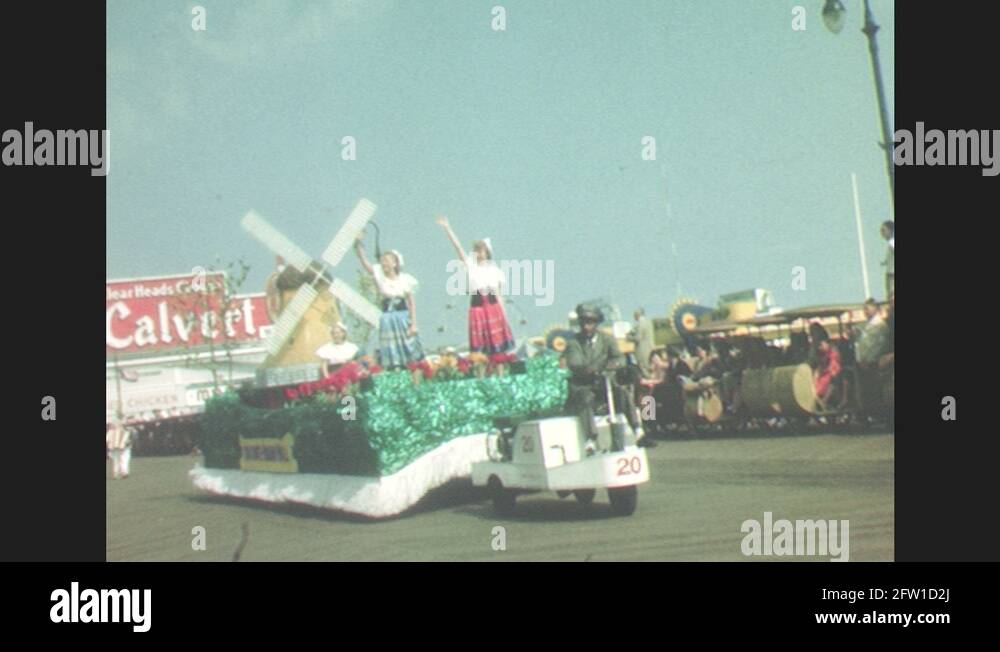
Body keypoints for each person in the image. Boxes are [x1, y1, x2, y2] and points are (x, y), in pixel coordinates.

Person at [561, 304, 645, 454]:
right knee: (584, 398)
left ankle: (638, 431)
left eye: (590, 323)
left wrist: (613, 365)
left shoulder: (607, 339)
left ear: (596, 323)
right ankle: (590, 440)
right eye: (584, 323)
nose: (587, 327)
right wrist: (598, 367)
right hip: (584, 386)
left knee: (623, 393)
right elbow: (576, 364)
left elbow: (619, 358)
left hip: (605, 385)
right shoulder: (573, 342)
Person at [434, 215, 515, 355]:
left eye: (482, 251)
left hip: (492, 307)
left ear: (488, 253)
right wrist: (447, 228)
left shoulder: (495, 271)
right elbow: (458, 248)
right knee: (480, 341)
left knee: (496, 340)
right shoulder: (470, 266)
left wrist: (504, 314)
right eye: (477, 251)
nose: (479, 254)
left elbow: (498, 293)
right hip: (477, 307)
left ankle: (499, 364)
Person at [353, 235, 425, 370]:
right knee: (391, 349)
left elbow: (411, 303)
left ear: (395, 263)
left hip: (402, 316)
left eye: (387, 260)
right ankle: (395, 369)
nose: (384, 263)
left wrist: (413, 324)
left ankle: (413, 369)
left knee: (409, 347)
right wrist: (358, 243)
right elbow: (363, 261)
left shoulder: (405, 280)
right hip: (387, 318)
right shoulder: (380, 277)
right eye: (382, 261)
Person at [811, 328, 842, 411]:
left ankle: (824, 401)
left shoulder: (833, 352)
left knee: (832, 380)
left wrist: (830, 371)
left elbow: (834, 366)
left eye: (821, 345)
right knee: (815, 382)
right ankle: (815, 401)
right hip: (824, 374)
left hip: (833, 372)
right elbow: (819, 367)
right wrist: (815, 377)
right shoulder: (820, 354)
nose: (819, 347)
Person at [854, 298, 889, 369]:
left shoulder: (880, 325)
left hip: (874, 363)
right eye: (864, 309)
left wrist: (868, 360)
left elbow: (880, 346)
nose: (865, 311)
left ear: (875, 308)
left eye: (867, 309)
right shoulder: (865, 325)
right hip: (863, 363)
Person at [630, 308, 656, 379]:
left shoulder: (640, 324)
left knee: (645, 370)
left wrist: (629, 337)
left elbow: (638, 338)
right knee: (652, 368)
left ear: (637, 315)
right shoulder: (649, 322)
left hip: (642, 350)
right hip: (651, 348)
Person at [880, 220, 894, 300]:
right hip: (890, 272)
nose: (882, 233)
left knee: (891, 294)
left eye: (883, 230)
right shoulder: (891, 243)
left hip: (892, 274)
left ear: (890, 230)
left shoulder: (892, 242)